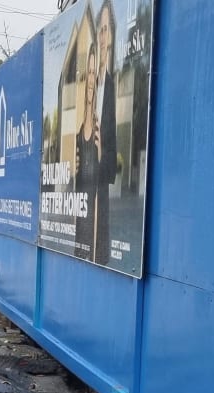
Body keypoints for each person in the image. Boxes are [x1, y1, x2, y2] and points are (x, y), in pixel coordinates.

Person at [94, 0, 118, 265]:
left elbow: (111, 154)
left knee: (101, 255)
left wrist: (101, 155)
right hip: (85, 190)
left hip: (100, 187)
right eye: (99, 30)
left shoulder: (109, 86)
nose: (102, 37)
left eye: (106, 30)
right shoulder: (91, 83)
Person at [75, 44, 100, 261]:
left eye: (94, 73)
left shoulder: (99, 129)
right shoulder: (79, 130)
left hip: (93, 217)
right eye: (87, 73)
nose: (90, 80)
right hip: (79, 215)